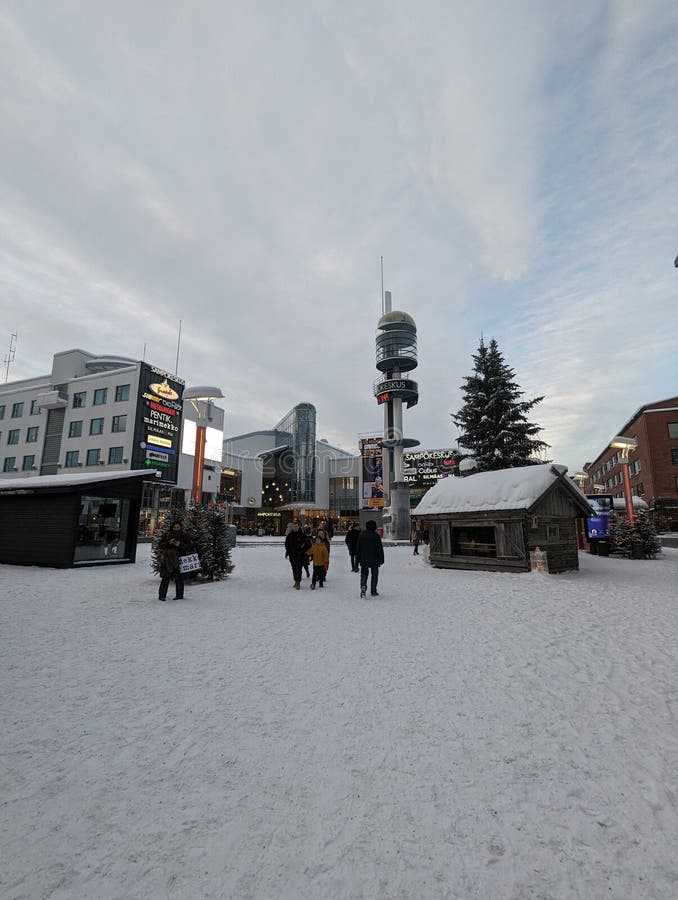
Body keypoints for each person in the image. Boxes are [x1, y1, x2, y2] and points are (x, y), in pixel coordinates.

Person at [157, 521, 192, 601]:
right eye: (174, 527)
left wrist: (180, 544)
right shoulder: (167, 534)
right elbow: (160, 545)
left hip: (179, 559)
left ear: (180, 528)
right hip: (168, 559)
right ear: (172, 528)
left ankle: (179, 595)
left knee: (179, 578)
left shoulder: (184, 536)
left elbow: (189, 547)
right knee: (165, 578)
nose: (176, 529)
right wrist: (169, 543)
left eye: (178, 527)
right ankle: (162, 596)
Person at [356, 519, 384, 598]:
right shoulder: (376, 536)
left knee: (364, 574)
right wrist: (381, 559)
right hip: (374, 559)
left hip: (364, 559)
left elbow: (358, 548)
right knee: (374, 575)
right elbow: (379, 549)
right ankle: (373, 590)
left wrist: (357, 559)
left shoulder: (362, 535)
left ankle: (363, 586)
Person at [284, 521, 310, 589]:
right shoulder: (289, 535)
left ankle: (298, 582)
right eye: (294, 527)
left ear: (299, 527)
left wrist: (304, 550)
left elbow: (307, 544)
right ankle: (296, 580)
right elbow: (287, 544)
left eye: (296, 526)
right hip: (292, 555)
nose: (295, 528)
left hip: (300, 555)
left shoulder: (303, 535)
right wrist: (288, 552)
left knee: (299, 569)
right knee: (294, 568)